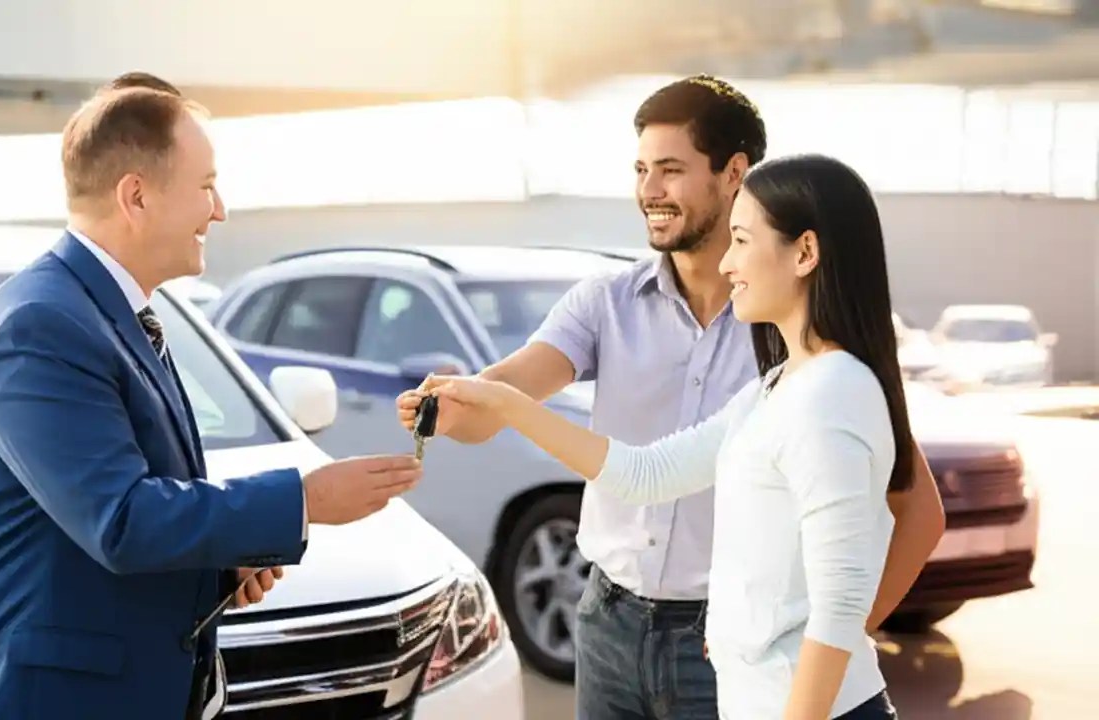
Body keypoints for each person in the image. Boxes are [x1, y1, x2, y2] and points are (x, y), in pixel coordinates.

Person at [398, 76, 944, 719]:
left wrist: (805, 653)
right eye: (640, 169)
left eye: (671, 169)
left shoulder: (826, 384)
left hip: (743, 669)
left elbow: (857, 585)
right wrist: (485, 403)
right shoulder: (767, 379)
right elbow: (645, 471)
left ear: (735, 175)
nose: (648, 190)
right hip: (620, 626)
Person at [0, 86, 423, 720]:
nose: (219, 211)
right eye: (206, 186)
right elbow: (122, 520)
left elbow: (105, 518)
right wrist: (306, 500)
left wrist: (218, 565)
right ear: (136, 196)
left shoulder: (107, 313)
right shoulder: (40, 326)